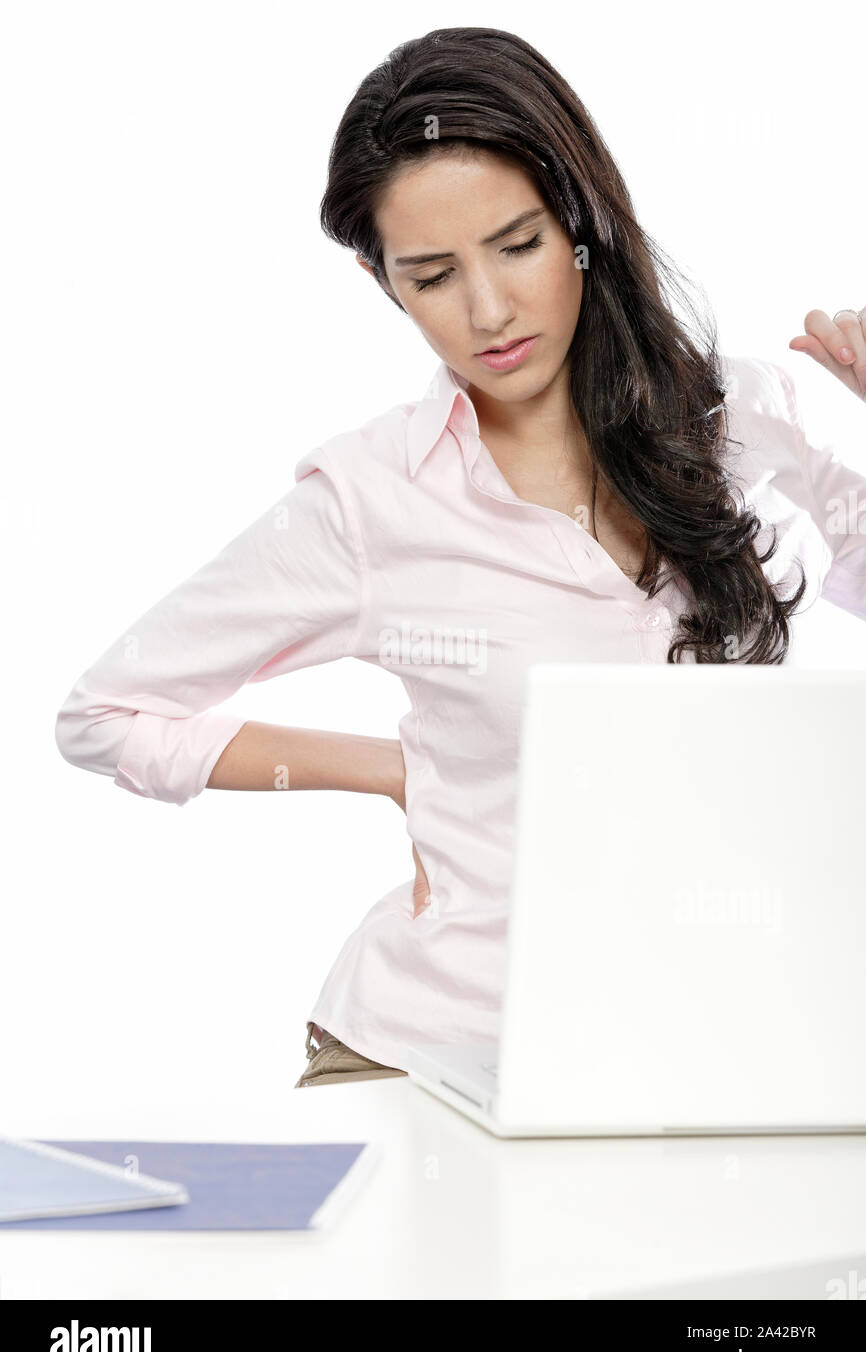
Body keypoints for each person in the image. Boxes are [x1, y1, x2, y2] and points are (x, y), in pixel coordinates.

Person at [54, 27, 866, 1089]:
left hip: (711, 1047)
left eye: (517, 245)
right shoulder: (368, 502)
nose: (485, 312)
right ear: (379, 279)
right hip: (433, 1056)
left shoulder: (747, 416)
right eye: (429, 275)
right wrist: (389, 770)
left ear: (580, 221)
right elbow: (104, 715)